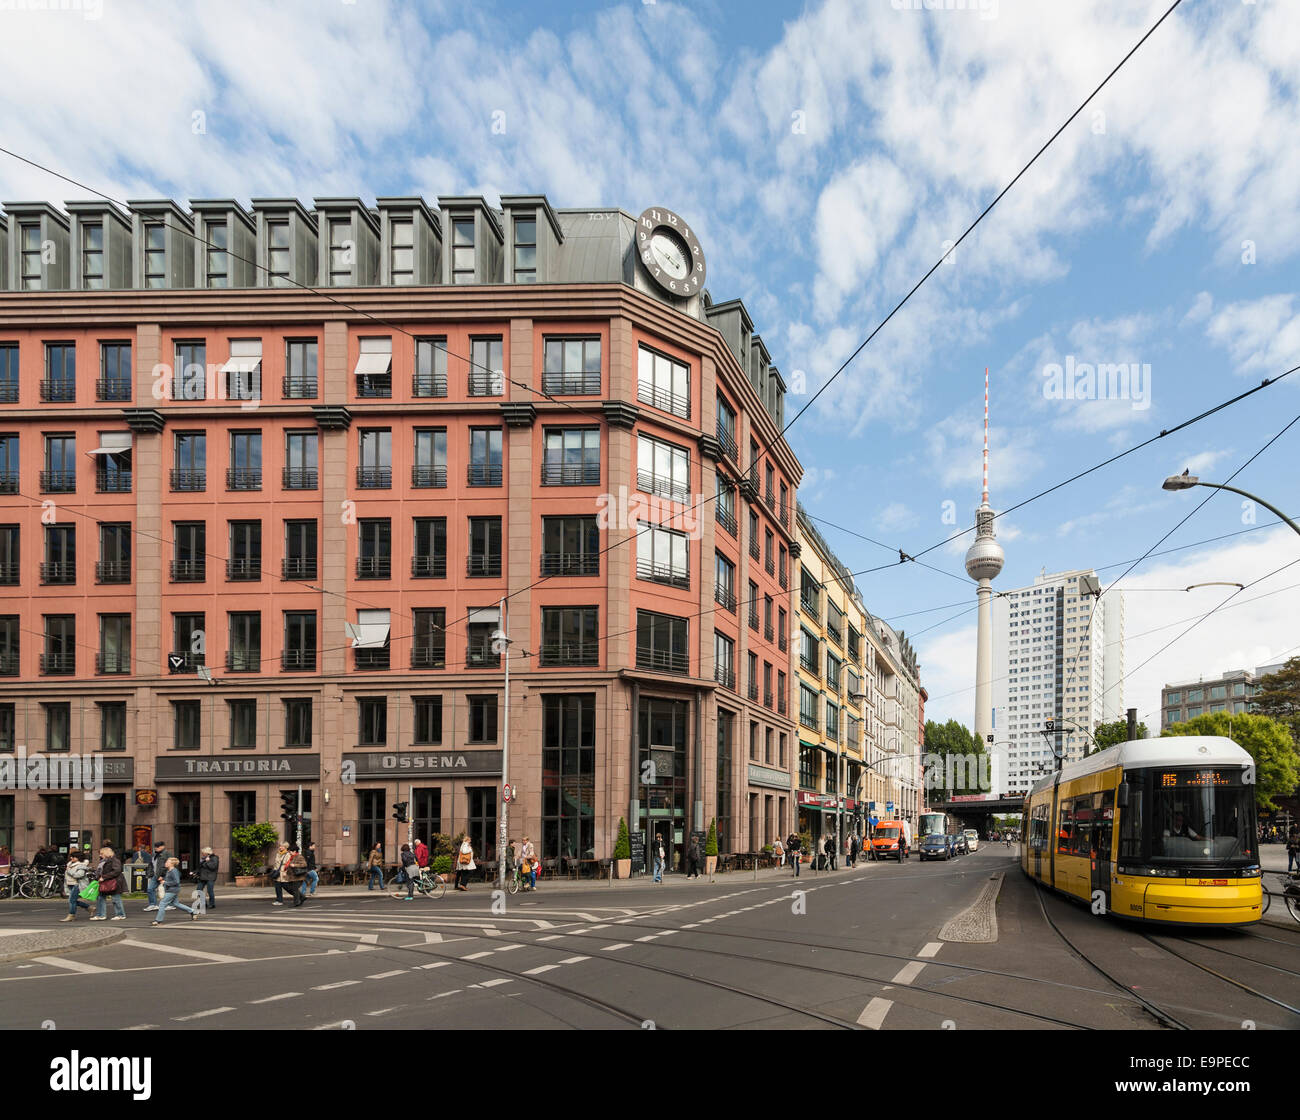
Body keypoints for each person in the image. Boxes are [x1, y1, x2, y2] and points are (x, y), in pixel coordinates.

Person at [153, 857, 199, 924]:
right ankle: (193, 911)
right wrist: (163, 878)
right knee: (176, 904)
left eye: (167, 862)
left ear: (171, 864)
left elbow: (176, 882)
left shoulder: (174, 871)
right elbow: (170, 879)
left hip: (172, 890)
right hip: (171, 890)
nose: (165, 863)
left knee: (162, 904)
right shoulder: (169, 871)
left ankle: (158, 920)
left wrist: (165, 882)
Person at [89, 846, 126, 921]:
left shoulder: (114, 860)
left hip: (114, 882)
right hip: (106, 881)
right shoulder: (105, 861)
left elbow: (117, 871)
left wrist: (104, 877)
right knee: (100, 898)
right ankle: (101, 915)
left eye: (102, 853)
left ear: (106, 853)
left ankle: (120, 914)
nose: (100, 855)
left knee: (115, 898)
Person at [61, 853, 93, 921]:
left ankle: (71, 915)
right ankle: (89, 908)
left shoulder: (81, 866)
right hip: (69, 884)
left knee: (72, 901)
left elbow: (79, 875)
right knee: (73, 900)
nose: (71, 858)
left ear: (78, 858)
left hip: (77, 884)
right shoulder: (70, 864)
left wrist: (69, 871)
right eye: (71, 857)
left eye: (73, 857)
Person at [143, 840, 168, 913]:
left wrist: (162, 875)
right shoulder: (154, 854)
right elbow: (151, 864)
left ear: (163, 847)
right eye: (155, 847)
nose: (156, 848)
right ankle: (153, 904)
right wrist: (150, 873)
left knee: (168, 890)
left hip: (162, 875)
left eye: (158, 847)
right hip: (155, 874)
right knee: (150, 889)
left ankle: (170, 904)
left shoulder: (166, 854)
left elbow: (167, 865)